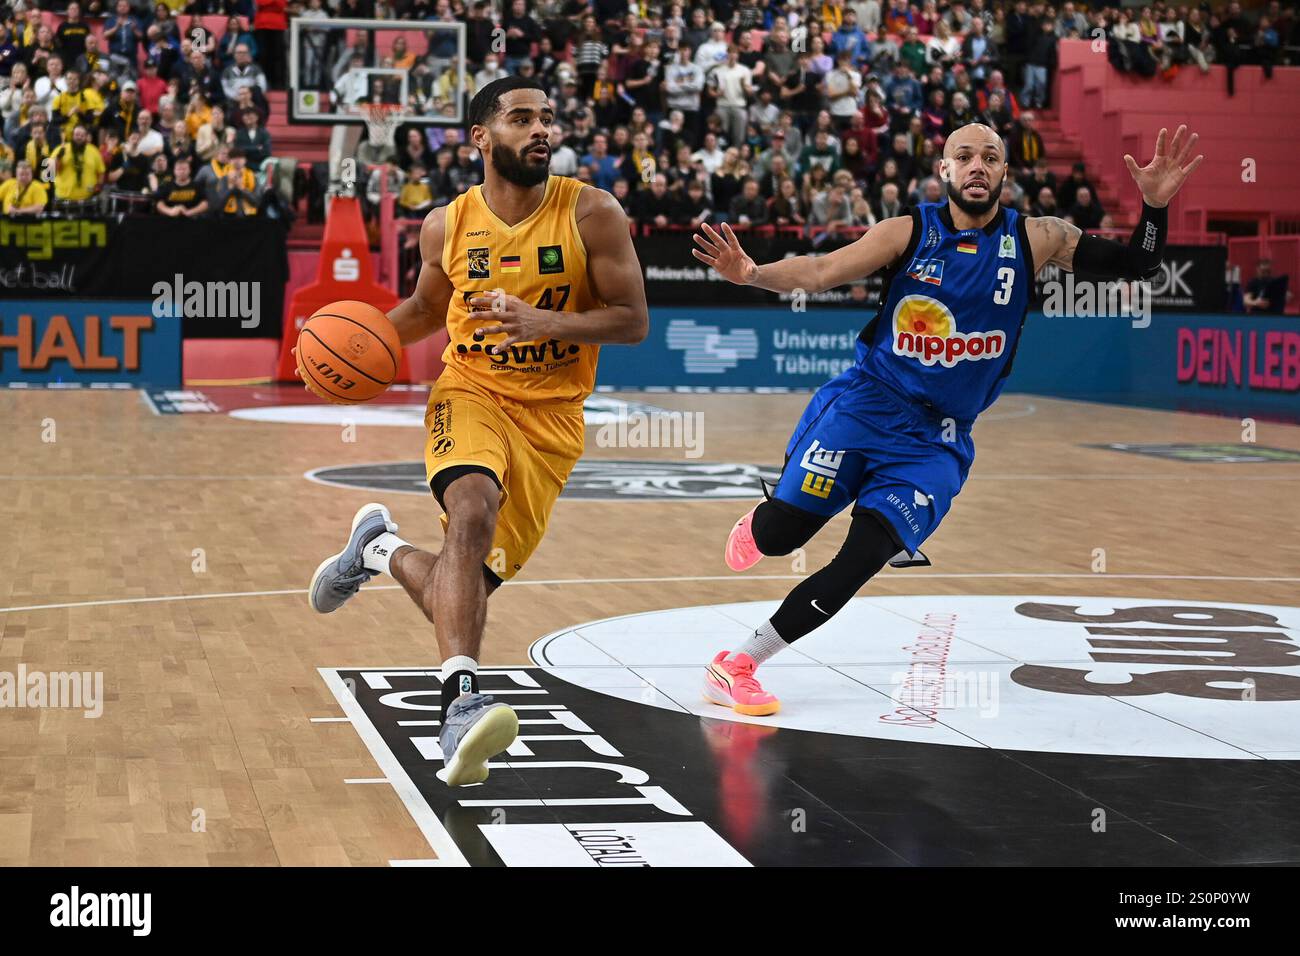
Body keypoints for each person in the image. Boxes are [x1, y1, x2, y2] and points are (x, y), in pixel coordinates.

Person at [689, 123, 1202, 715]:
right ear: (944, 171)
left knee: (861, 559)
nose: (977, 165)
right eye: (964, 156)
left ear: (1005, 174)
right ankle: (762, 522)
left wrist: (1156, 206)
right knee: (783, 538)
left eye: (990, 157)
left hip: (938, 442)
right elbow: (823, 270)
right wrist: (753, 274)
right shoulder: (907, 231)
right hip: (867, 406)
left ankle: (740, 663)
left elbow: (1136, 263)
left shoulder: (1038, 238)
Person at [302, 77, 649, 787]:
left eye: (546, 118)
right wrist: (350, 345)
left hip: (552, 419)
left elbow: (633, 320)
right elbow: (428, 309)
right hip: (472, 389)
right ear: (481, 138)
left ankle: (380, 550)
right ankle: (460, 703)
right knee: (471, 511)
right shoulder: (447, 225)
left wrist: (547, 322)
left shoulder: (593, 214)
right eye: (521, 119)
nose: (540, 130)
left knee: (462, 588)